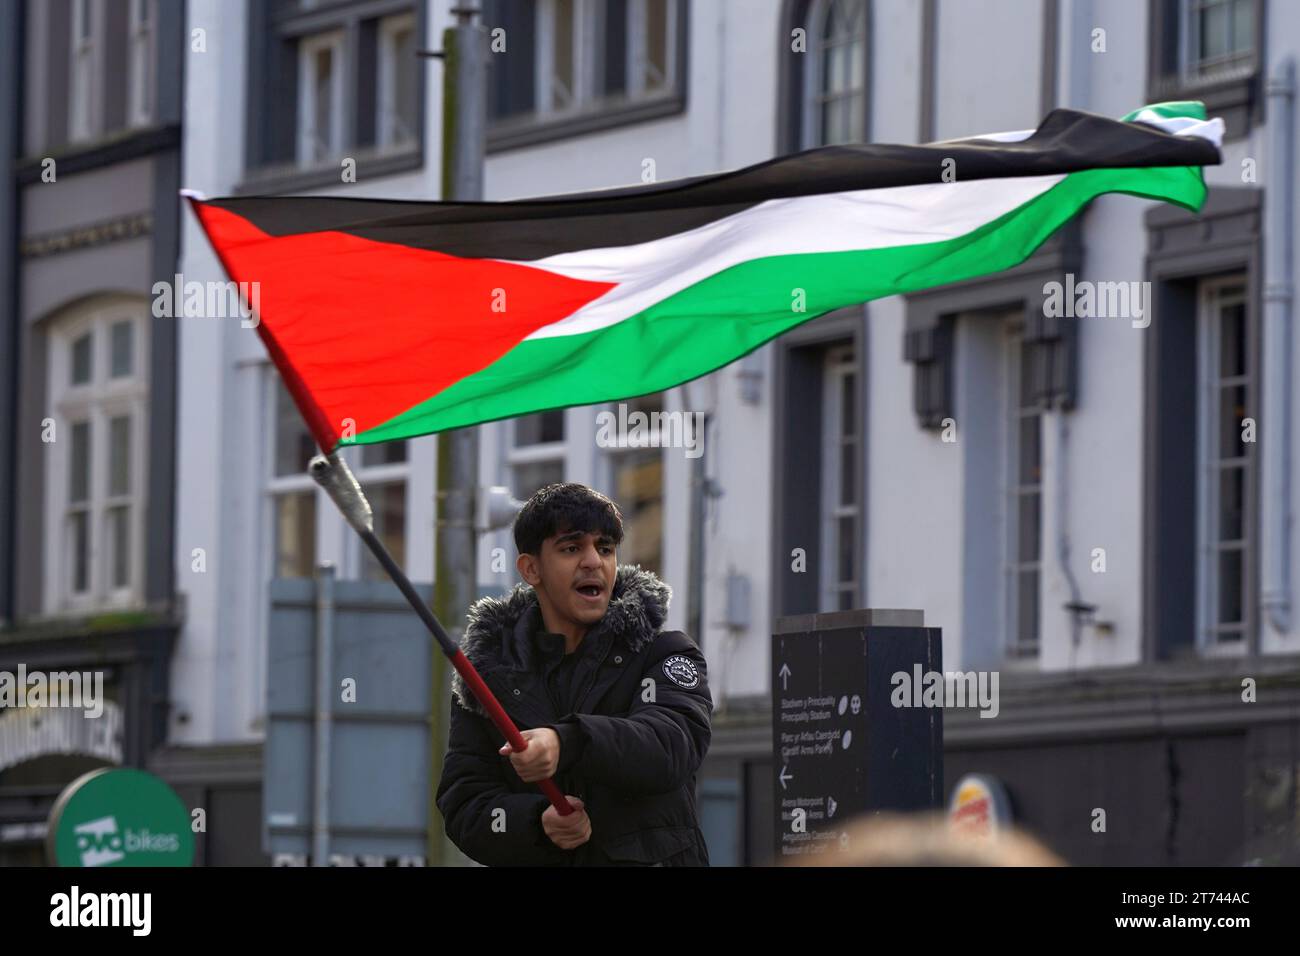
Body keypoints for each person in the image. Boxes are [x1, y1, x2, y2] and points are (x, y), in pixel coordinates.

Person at [436, 482, 713, 866]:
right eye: (571, 548)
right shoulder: (486, 677)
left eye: (605, 548)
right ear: (531, 568)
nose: (593, 562)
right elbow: (465, 806)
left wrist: (567, 742)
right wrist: (537, 823)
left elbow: (669, 746)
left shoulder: (663, 653)